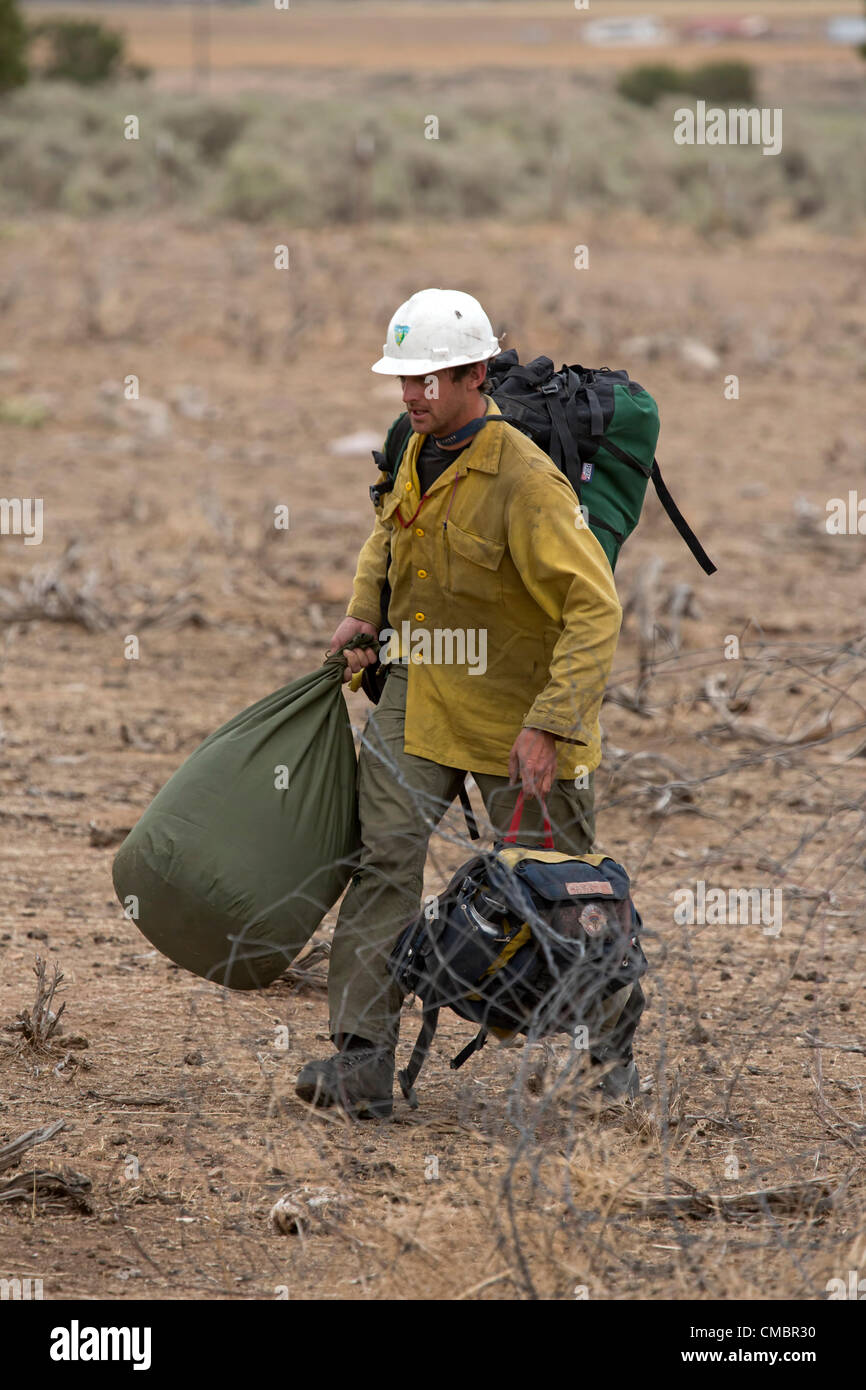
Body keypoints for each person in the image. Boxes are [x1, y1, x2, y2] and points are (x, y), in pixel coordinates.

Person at [295, 287, 638, 1119]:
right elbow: (391, 530)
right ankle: (362, 1057)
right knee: (382, 862)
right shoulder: (420, 449)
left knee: (566, 890)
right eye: (405, 380)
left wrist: (552, 723)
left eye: (430, 379)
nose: (412, 395)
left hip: (520, 710)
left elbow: (595, 607)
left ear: (476, 375)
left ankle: (610, 1065)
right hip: (423, 691)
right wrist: (364, 608)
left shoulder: (524, 477)